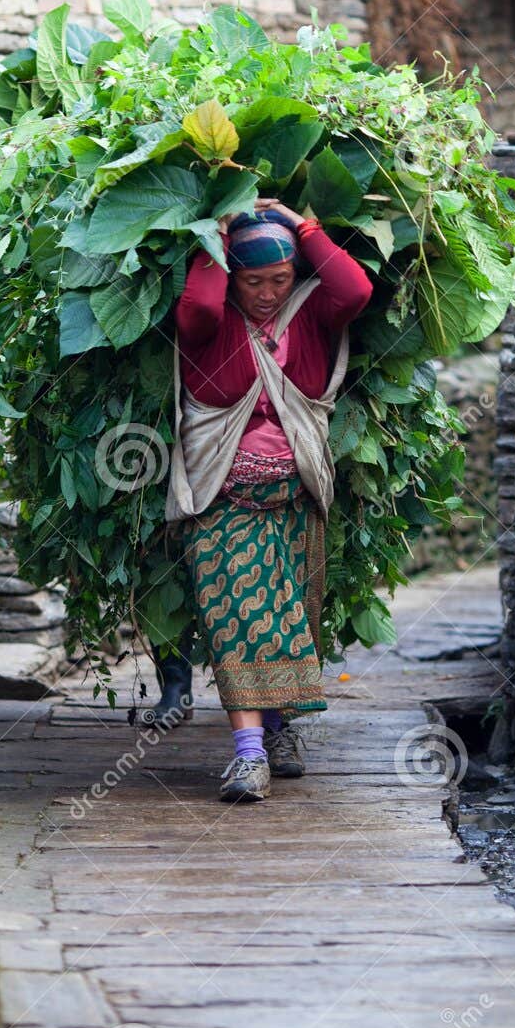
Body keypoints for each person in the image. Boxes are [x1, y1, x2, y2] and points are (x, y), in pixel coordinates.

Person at [165, 198, 372, 802]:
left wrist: (306, 225)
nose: (265, 293)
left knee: (284, 621)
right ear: (231, 275)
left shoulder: (310, 317)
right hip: (220, 500)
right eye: (252, 281)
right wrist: (218, 231)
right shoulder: (211, 324)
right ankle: (249, 756)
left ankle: (279, 731)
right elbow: (200, 301)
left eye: (279, 279)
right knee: (236, 620)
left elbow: (354, 290)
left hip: (294, 499)